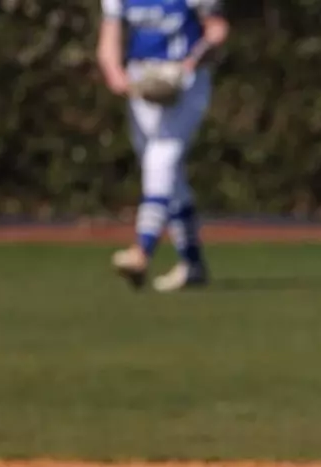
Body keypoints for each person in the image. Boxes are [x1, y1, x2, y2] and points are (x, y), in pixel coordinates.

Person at [95, 0, 228, 292]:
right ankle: (192, 264)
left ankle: (142, 250)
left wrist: (193, 61)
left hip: (185, 81)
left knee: (161, 160)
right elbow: (109, 39)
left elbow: (217, 29)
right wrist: (116, 76)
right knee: (168, 176)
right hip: (141, 81)